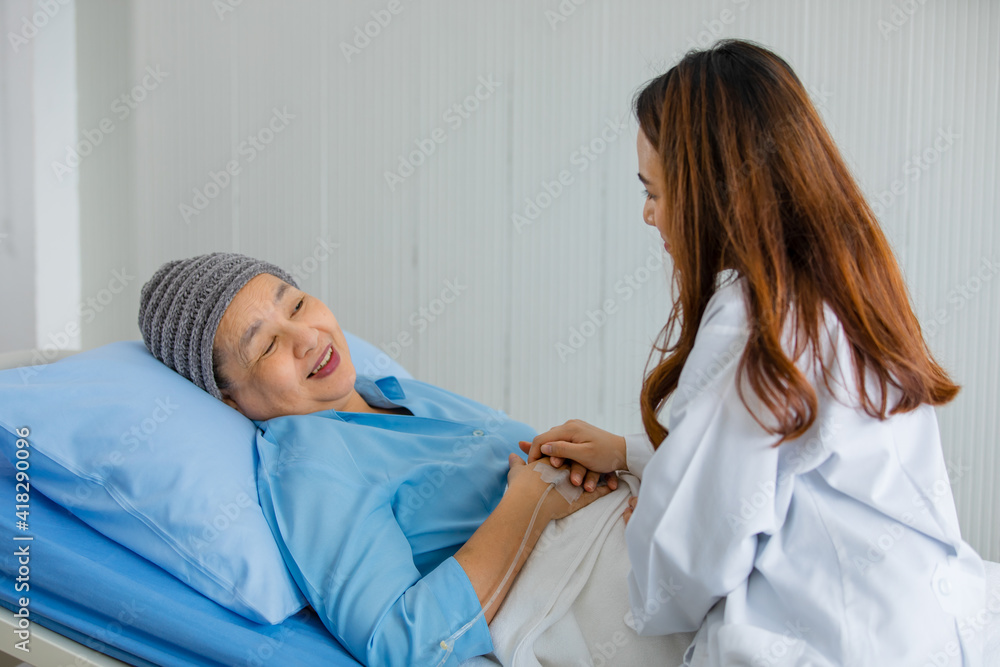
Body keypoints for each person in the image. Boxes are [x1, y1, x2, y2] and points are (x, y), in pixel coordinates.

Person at [525, 39, 985, 666]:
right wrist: (636, 455)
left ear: (711, 189)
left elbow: (685, 568)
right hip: (933, 623)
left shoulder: (754, 321)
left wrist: (647, 524)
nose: (649, 214)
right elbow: (798, 464)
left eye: (655, 191)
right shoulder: (845, 283)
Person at [137, 252, 615, 666]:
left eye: (298, 305)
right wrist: (525, 508)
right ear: (229, 401)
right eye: (266, 346)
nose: (305, 336)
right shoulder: (310, 463)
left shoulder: (386, 392)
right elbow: (398, 642)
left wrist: (603, 455)